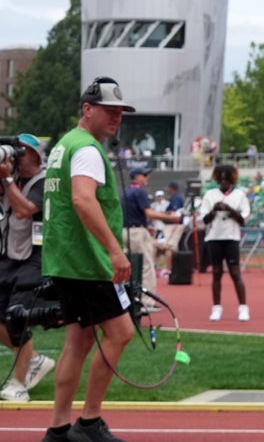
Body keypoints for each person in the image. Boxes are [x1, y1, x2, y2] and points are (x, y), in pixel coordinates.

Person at [41, 77, 138, 442]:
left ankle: (58, 428)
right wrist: (114, 251)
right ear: (87, 109)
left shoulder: (64, 145)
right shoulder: (86, 150)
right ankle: (89, 422)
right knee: (121, 332)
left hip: (66, 260)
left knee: (78, 342)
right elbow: (83, 199)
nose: (116, 118)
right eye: (109, 111)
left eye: (120, 112)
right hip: (87, 263)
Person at [0, 133, 56, 402]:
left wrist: (7, 179)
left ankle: (19, 384)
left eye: (21, 152)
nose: (16, 157)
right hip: (9, 256)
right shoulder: (14, 178)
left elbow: (24, 210)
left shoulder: (43, 180)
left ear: (34, 155)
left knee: (16, 316)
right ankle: (33, 359)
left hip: (35, 256)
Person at [198, 163, 251, 322]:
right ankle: (216, 308)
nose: (223, 182)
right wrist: (215, 209)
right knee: (216, 273)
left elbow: (243, 219)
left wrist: (228, 208)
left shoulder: (240, 195)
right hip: (214, 237)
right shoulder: (210, 194)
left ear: (231, 179)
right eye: (221, 179)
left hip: (231, 237)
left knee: (235, 273)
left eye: (226, 179)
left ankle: (243, 307)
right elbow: (205, 219)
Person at [119, 166, 180, 297]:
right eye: (144, 175)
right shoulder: (139, 192)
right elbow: (149, 213)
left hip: (124, 231)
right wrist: (171, 217)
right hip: (137, 232)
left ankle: (129, 298)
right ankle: (147, 300)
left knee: (128, 267)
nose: (147, 177)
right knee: (146, 266)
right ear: (137, 177)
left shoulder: (125, 191)